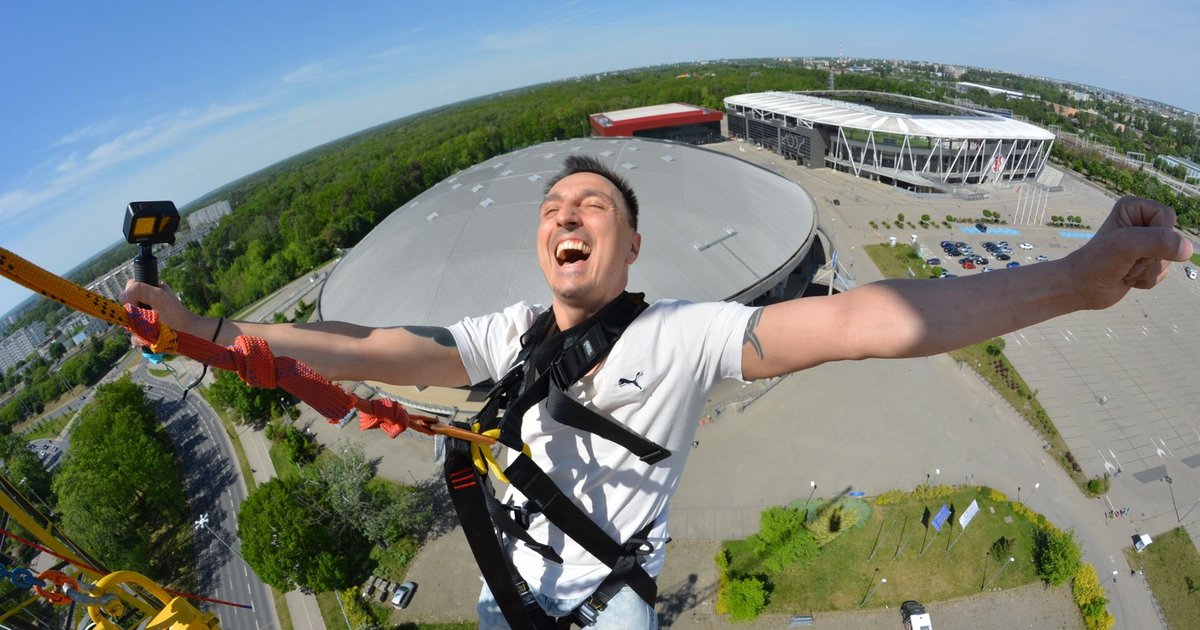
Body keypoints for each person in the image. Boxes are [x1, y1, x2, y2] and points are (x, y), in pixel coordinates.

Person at [121, 155, 1192, 628]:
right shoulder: (508, 335)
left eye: (591, 204)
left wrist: (1066, 282)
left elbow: (869, 320)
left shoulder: (683, 335)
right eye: (552, 207)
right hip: (503, 601)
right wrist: (214, 333)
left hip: (604, 611)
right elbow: (371, 345)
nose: (566, 214)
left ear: (632, 246)